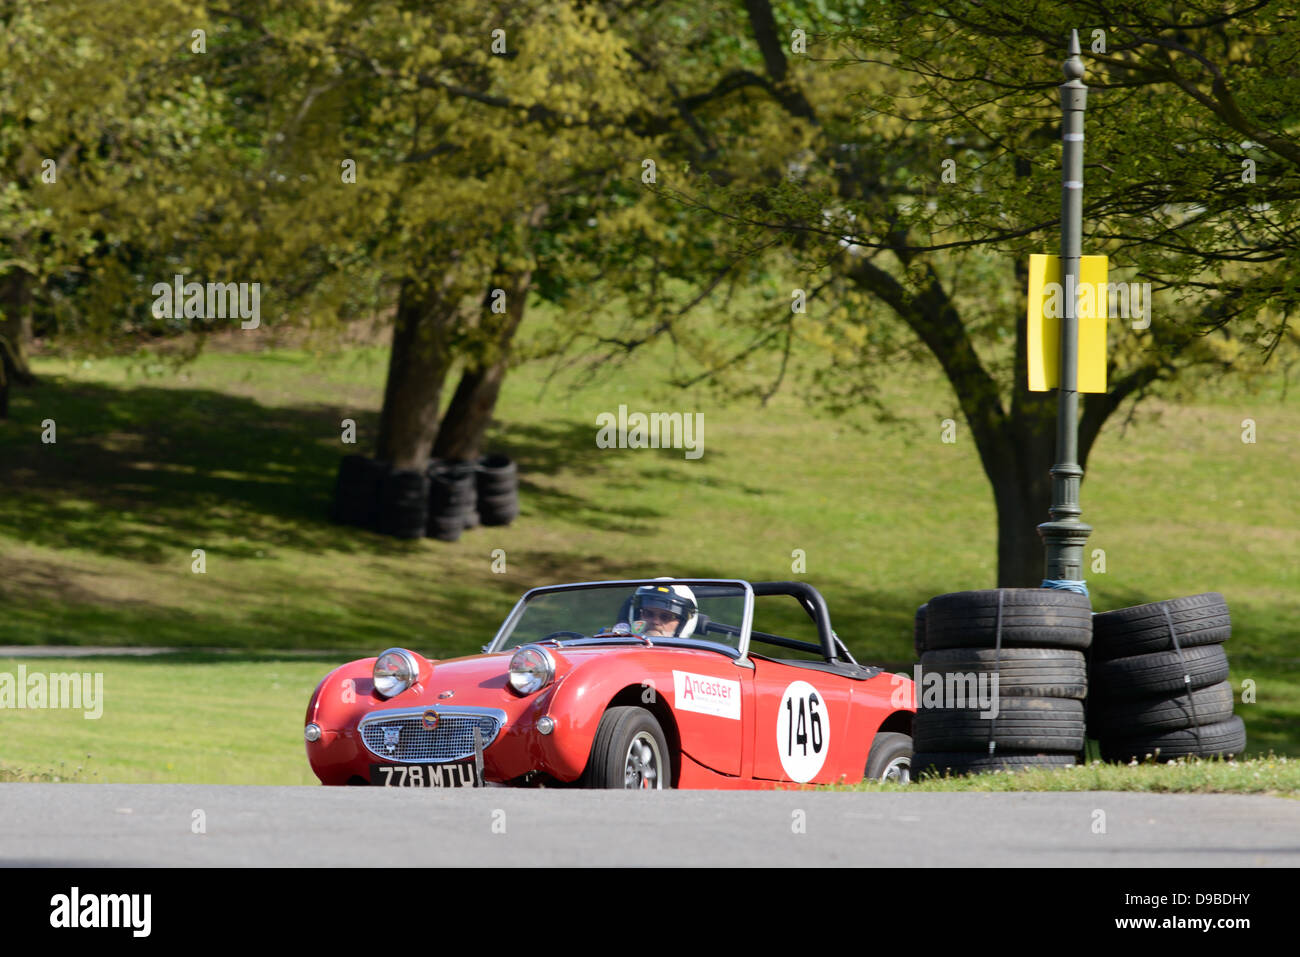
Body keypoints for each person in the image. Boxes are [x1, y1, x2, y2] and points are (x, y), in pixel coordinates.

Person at [628, 582, 698, 638]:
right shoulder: (622, 650)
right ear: (637, 616)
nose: (655, 621)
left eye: (665, 617)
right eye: (648, 614)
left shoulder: (688, 655)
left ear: (682, 623)